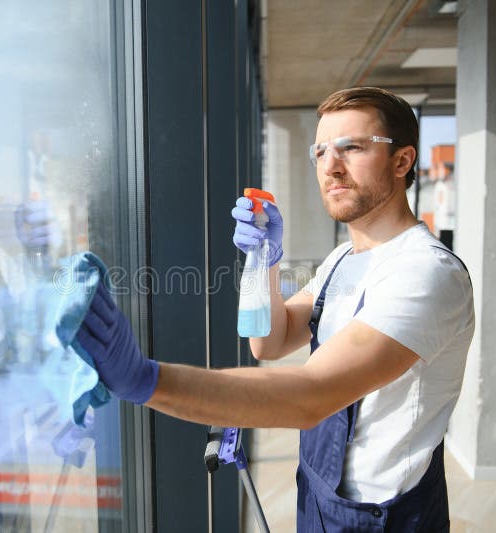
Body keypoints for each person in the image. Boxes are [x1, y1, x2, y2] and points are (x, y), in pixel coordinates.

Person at [67, 87, 475, 532]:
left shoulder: (425, 273)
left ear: (402, 161)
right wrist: (262, 262)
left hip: (384, 518)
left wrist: (147, 380)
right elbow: (269, 341)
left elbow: (311, 397)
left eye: (351, 148)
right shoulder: (343, 261)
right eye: (320, 152)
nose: (330, 167)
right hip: (321, 497)